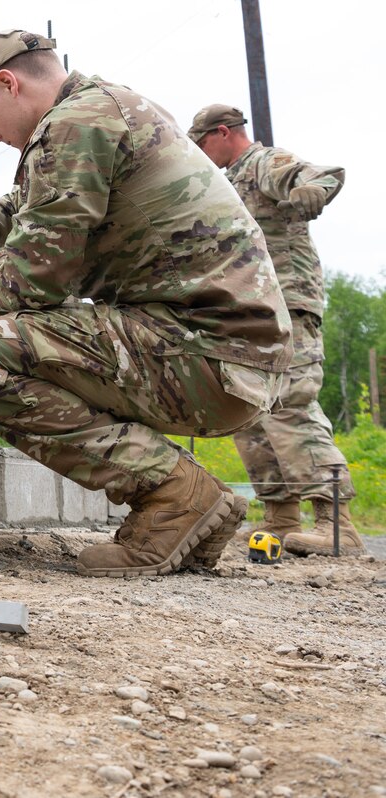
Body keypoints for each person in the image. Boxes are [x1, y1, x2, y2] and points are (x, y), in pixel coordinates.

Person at [0, 30, 293, 577]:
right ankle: (190, 508)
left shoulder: (77, 123)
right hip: (219, 354)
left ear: (8, 83)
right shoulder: (104, 109)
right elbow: (19, 206)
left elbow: (36, 273)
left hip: (203, 355)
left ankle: (173, 493)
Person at [189, 104, 361, 556]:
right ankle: (280, 515)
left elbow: (324, 175)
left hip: (289, 305)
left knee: (292, 403)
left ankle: (335, 523)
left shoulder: (263, 163)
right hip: (250, 311)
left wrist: (311, 191)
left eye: (203, 143)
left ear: (223, 133)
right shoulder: (226, 183)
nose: (202, 154)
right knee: (250, 410)